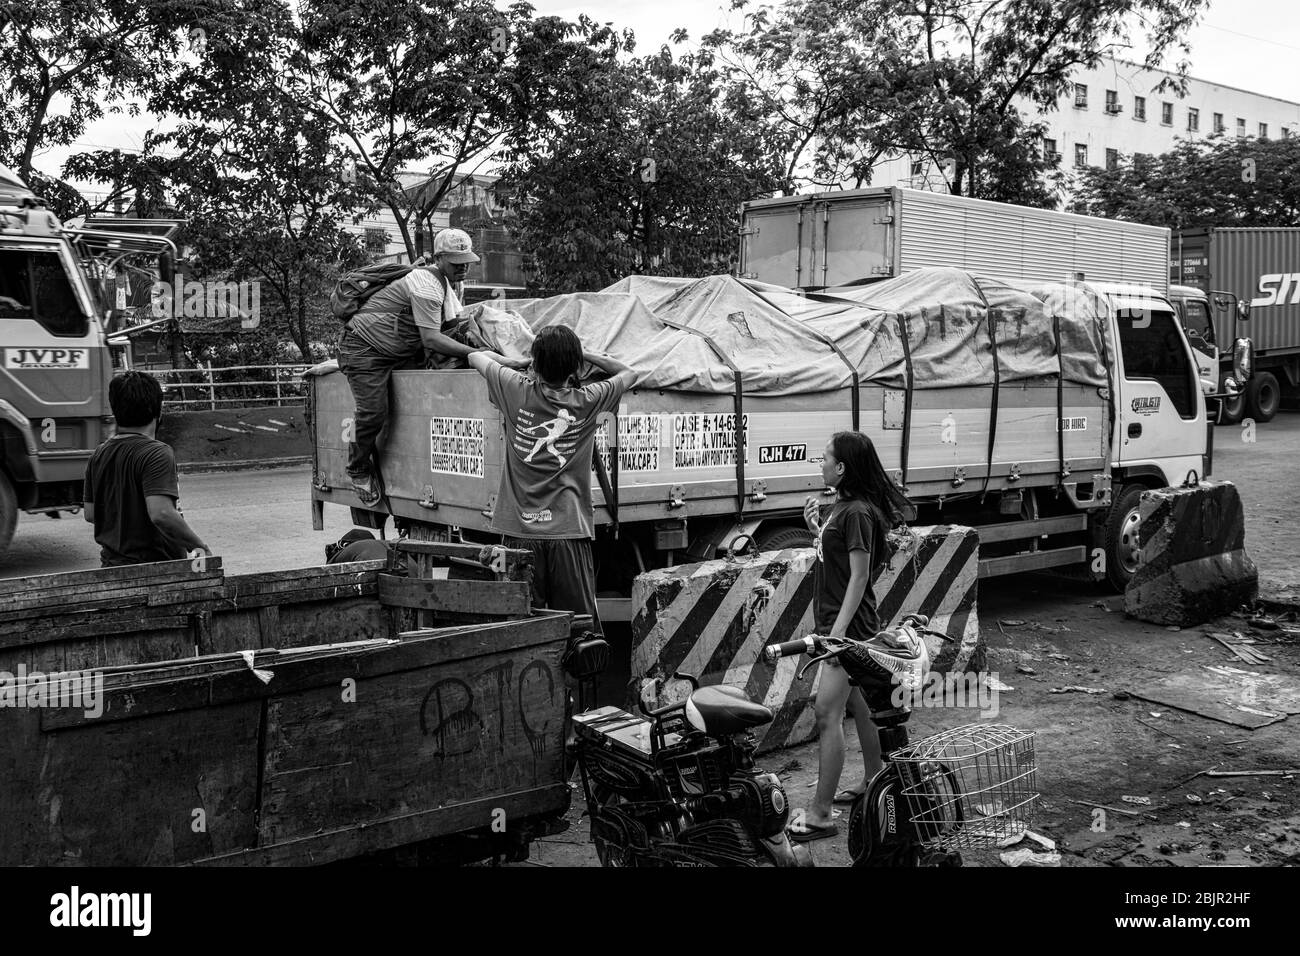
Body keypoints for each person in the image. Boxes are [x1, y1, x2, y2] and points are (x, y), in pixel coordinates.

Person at [338, 227, 525, 504]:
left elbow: (451, 327)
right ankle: (357, 468)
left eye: (466, 262)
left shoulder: (448, 284)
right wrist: (480, 354)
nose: (462, 268)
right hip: (365, 351)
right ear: (439, 258)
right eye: (456, 262)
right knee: (372, 413)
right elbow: (432, 338)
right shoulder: (427, 285)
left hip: (399, 350)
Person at [467, 326, 637, 630]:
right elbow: (629, 373)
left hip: (519, 533)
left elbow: (475, 356)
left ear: (536, 364)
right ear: (574, 368)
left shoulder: (514, 388)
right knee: (578, 629)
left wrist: (514, 363)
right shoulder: (589, 400)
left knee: (520, 627)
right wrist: (583, 355)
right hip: (568, 532)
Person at [789, 430, 911, 843]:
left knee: (827, 714)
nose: (820, 463)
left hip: (849, 631)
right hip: (847, 626)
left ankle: (821, 814)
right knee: (862, 707)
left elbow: (859, 577)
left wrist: (838, 636)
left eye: (825, 457)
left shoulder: (857, 511)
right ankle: (876, 780)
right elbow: (839, 561)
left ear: (841, 468)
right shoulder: (842, 507)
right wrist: (816, 529)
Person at [83, 371, 211, 567]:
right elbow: (162, 514)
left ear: (115, 410)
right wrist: (200, 549)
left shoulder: (98, 454)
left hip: (111, 567)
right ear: (157, 410)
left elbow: (91, 514)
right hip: (155, 570)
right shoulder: (157, 453)